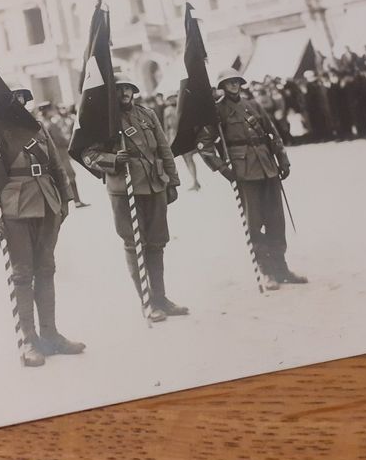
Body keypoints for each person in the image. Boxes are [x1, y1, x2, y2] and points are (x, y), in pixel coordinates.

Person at [0, 84, 84, 367]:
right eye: (15, 100)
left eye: (24, 100)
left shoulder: (38, 128)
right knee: (23, 274)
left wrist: (66, 198)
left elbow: (57, 166)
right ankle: (29, 340)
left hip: (47, 201)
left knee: (46, 269)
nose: (21, 105)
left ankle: (51, 335)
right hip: (14, 206)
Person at [81, 76, 186, 322]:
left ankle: (161, 298)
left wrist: (172, 180)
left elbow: (164, 149)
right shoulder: (104, 121)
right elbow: (88, 154)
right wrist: (112, 160)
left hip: (154, 184)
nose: (125, 93)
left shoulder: (147, 114)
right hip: (124, 190)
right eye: (120, 89)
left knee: (157, 243)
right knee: (134, 244)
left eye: (128, 88)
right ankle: (147, 302)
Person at [196, 69, 308, 291]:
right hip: (243, 170)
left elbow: (272, 133)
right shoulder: (216, 112)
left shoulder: (253, 105)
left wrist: (282, 160)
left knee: (276, 220)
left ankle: (281, 268)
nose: (234, 86)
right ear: (223, 86)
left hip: (267, 167)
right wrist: (223, 169)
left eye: (236, 82)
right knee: (255, 223)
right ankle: (266, 271)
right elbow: (204, 145)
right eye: (229, 83)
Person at [39, 102, 89, 208]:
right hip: (60, 153)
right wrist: (70, 143)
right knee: (70, 175)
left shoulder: (41, 124)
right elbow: (60, 139)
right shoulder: (51, 124)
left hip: (47, 156)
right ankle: (77, 201)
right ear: (48, 111)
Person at [162, 93, 201, 190]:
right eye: (169, 98)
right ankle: (193, 181)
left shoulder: (181, 108)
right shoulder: (167, 110)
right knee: (184, 159)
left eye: (173, 97)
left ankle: (195, 180)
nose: (172, 100)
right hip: (174, 136)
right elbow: (166, 126)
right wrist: (167, 139)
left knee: (188, 158)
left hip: (183, 135)